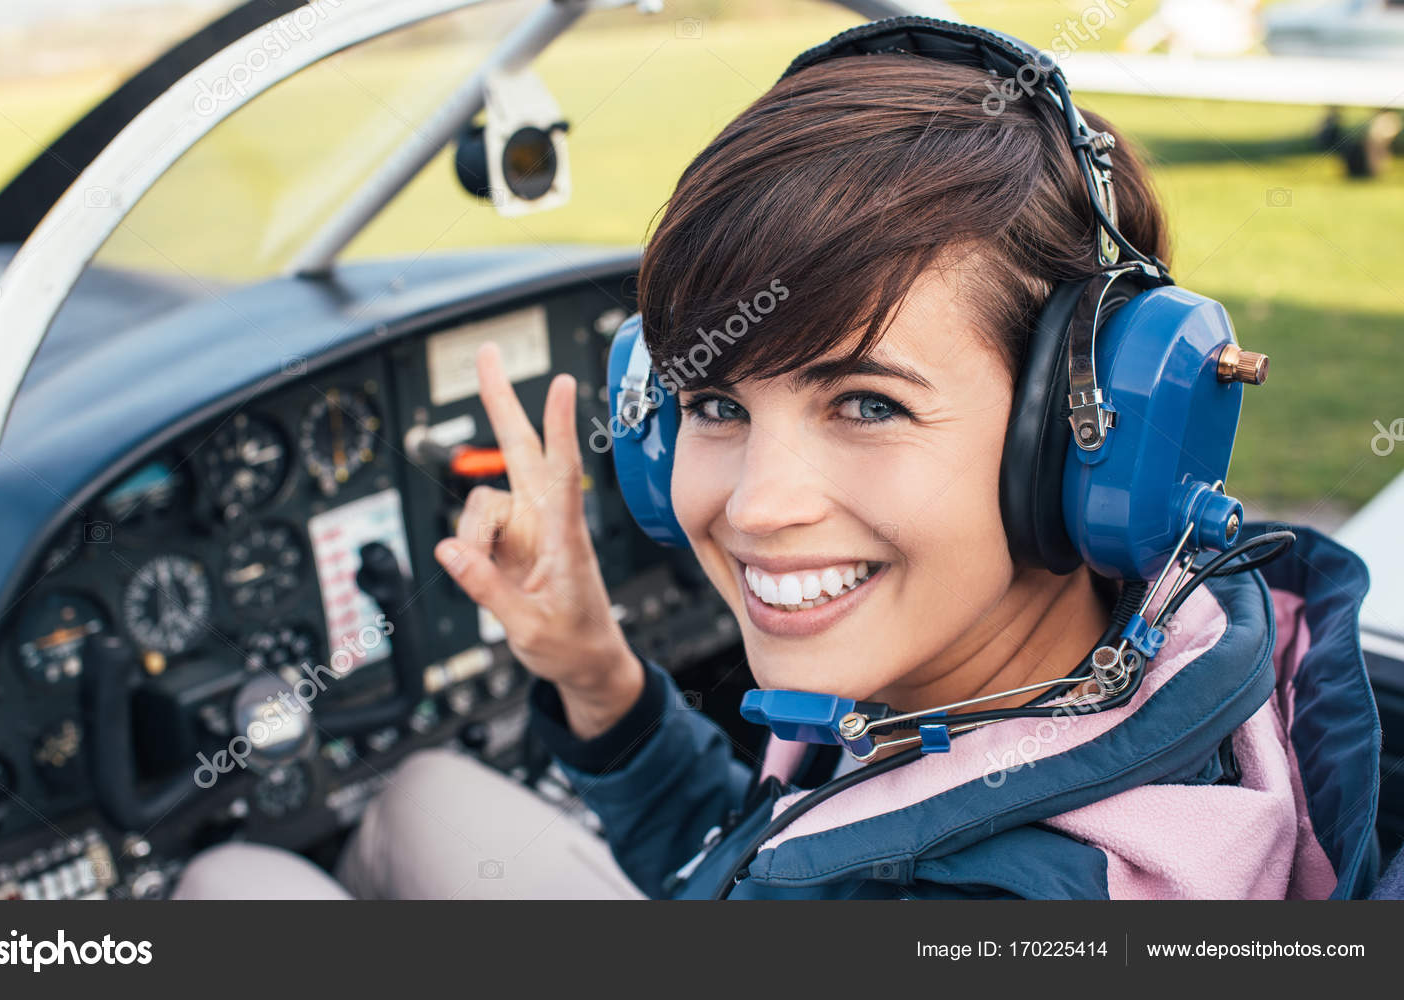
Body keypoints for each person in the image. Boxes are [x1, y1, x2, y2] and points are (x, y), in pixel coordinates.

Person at [173, 19, 1382, 901]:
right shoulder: (1178, 629)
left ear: (1100, 432)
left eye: (864, 402)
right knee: (420, 796)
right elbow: (762, 858)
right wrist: (598, 672)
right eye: (712, 401)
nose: (754, 505)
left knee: (233, 885)